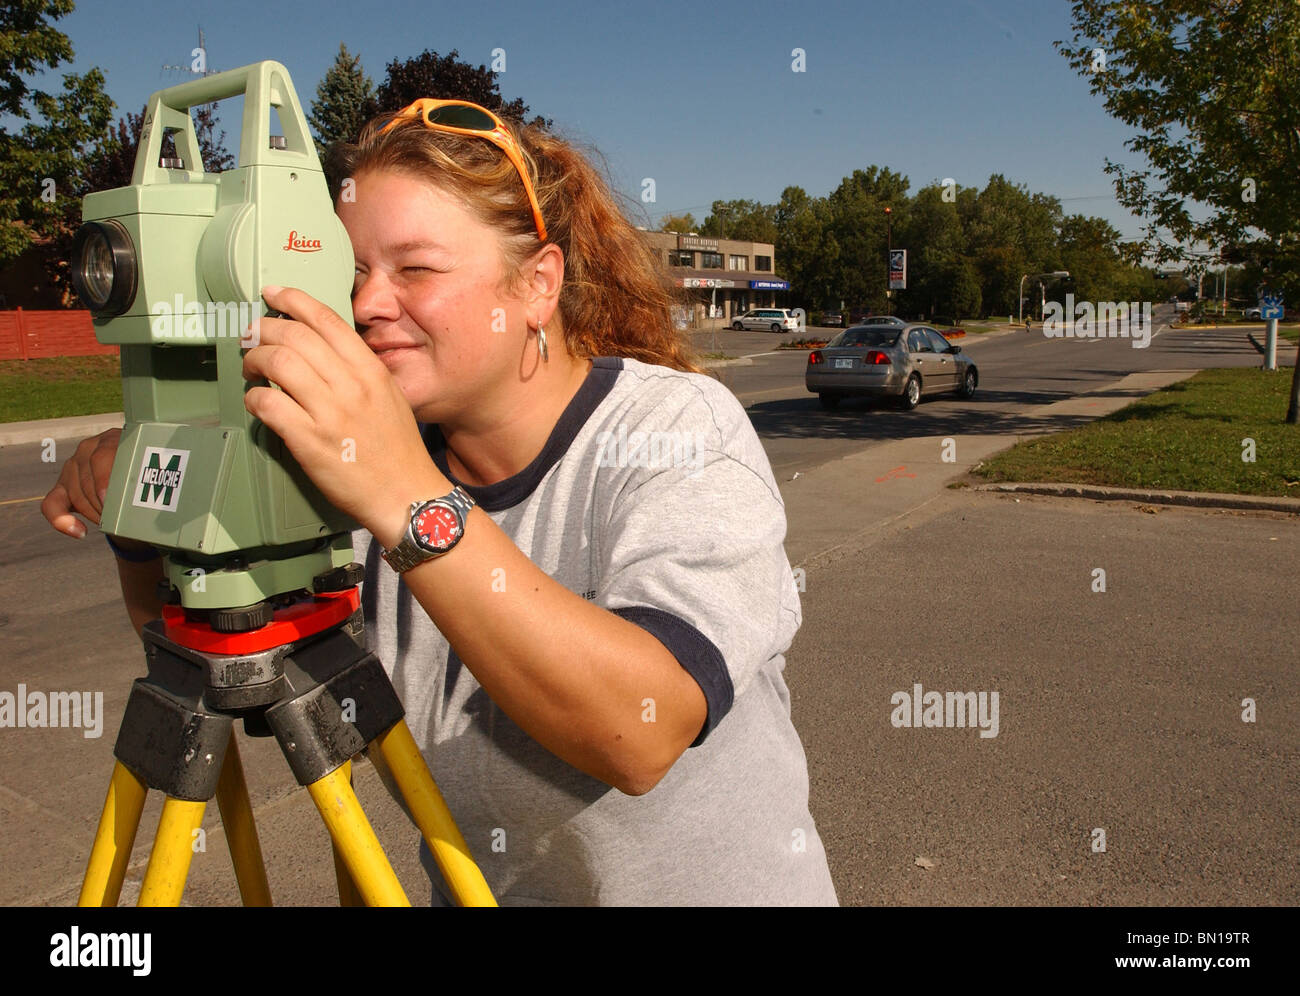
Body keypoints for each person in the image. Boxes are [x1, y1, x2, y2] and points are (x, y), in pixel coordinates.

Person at [42, 98, 838, 906]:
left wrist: (404, 493)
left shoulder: (671, 429)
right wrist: (150, 506)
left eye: (414, 269)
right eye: (350, 275)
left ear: (537, 284)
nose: (366, 305)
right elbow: (202, 646)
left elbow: (641, 730)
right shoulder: (355, 465)